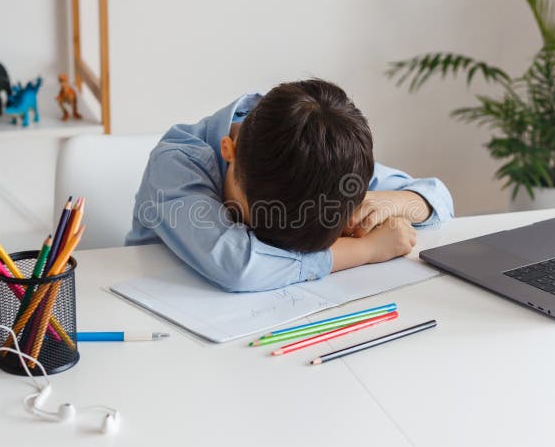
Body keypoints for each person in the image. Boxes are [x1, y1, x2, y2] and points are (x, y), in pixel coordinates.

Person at [126, 79, 453, 291]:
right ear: (229, 151)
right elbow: (238, 265)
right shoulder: (176, 161)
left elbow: (438, 199)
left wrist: (393, 202)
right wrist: (366, 249)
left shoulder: (319, 151)